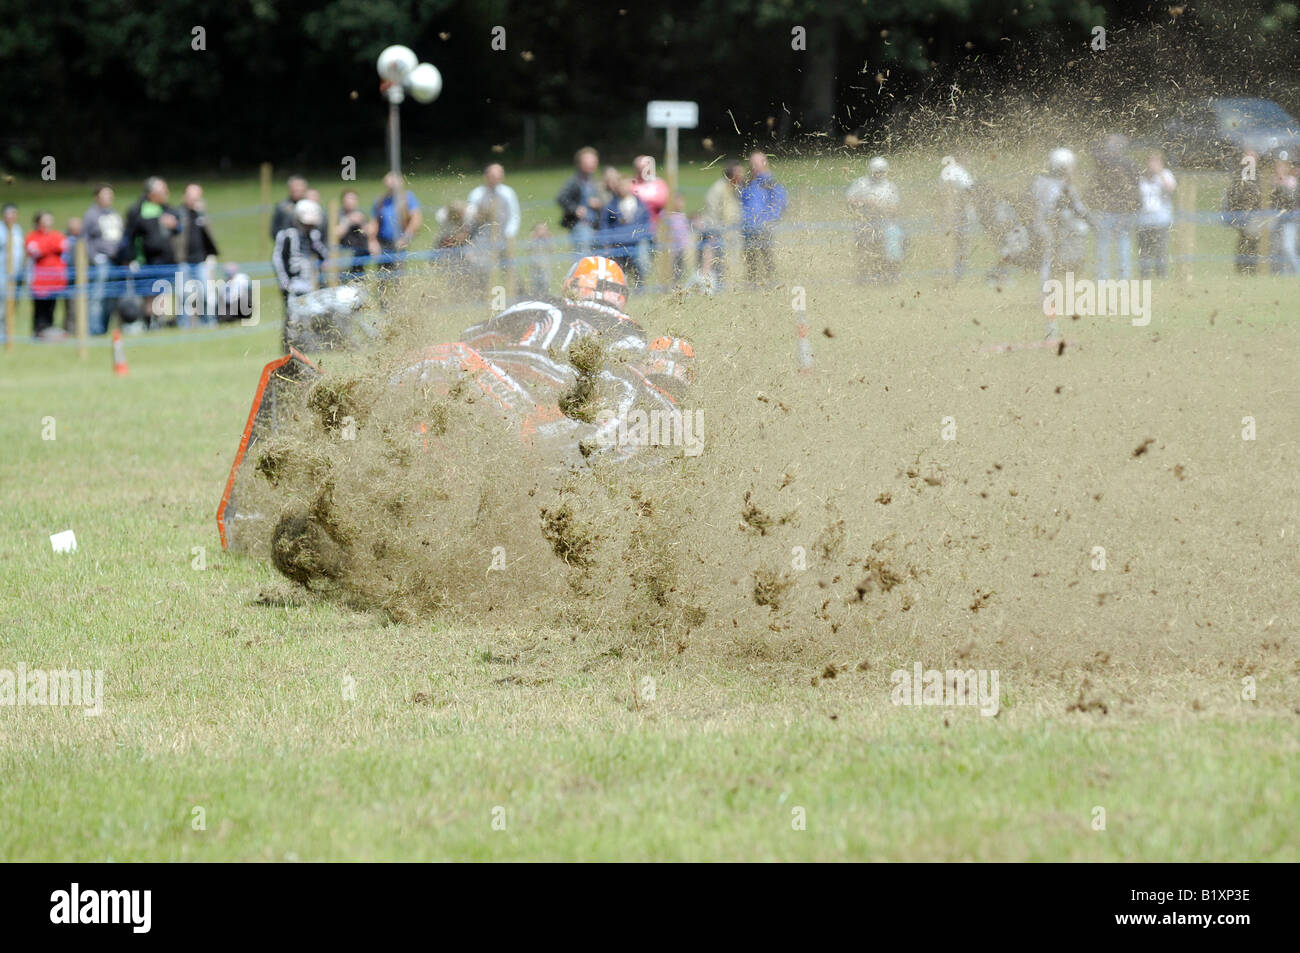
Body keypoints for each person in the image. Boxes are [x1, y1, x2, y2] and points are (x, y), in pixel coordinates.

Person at [1031, 147, 1091, 337]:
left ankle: (1049, 298)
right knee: (1051, 266)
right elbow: (1074, 207)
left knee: (1048, 265)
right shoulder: (1062, 186)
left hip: (1041, 227)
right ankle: (1049, 304)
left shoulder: (1040, 181)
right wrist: (1090, 220)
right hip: (1052, 230)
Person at [122, 177, 181, 326]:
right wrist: (130, 259)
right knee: (148, 294)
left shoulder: (168, 209)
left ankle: (159, 322)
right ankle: (147, 324)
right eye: (163, 190)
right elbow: (129, 237)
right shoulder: (138, 211)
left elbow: (179, 229)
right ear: (153, 193)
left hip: (167, 261)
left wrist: (175, 225)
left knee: (163, 294)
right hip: (146, 262)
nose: (167, 193)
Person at [1089, 134, 1140, 281]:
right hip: (1123, 210)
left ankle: (1102, 277)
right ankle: (1124, 277)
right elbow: (1136, 186)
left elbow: (1093, 151)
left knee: (1103, 244)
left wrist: (1101, 139)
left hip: (1106, 209)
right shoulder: (1129, 164)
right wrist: (1135, 206)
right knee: (1123, 243)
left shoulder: (1104, 162)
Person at [273, 198, 329, 328]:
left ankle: (307, 346)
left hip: (307, 283)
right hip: (293, 284)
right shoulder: (287, 235)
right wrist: (285, 283)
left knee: (308, 318)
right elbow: (278, 260)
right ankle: (290, 346)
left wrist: (315, 240)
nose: (308, 227)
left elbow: (324, 255)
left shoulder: (313, 236)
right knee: (293, 319)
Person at [466, 162, 521, 293]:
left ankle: (517, 294)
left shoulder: (508, 193)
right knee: (482, 270)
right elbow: (470, 217)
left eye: (499, 175)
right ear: (486, 176)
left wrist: (508, 234)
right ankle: (481, 295)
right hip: (482, 241)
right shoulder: (477, 194)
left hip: (503, 239)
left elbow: (514, 216)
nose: (497, 179)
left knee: (510, 269)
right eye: (494, 176)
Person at [846, 156, 903, 283]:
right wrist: (867, 202)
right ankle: (864, 278)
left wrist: (881, 208)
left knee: (892, 243)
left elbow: (895, 208)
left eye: (881, 171)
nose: (879, 174)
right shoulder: (861, 183)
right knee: (866, 251)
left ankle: (890, 276)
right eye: (877, 171)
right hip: (865, 224)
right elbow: (849, 200)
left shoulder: (890, 187)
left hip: (885, 225)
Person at [739, 151, 788, 287]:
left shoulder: (769, 181)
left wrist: (769, 219)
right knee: (750, 258)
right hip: (748, 228)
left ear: (765, 163)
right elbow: (742, 201)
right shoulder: (748, 182)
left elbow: (780, 201)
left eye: (757, 163)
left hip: (763, 228)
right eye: (752, 163)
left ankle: (771, 283)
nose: (754, 166)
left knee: (766, 256)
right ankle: (752, 284)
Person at [178, 184, 220, 327]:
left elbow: (210, 236)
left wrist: (202, 214)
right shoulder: (179, 214)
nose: (194, 200)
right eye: (191, 197)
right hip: (183, 261)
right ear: (184, 197)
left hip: (201, 260)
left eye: (197, 197)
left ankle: (208, 322)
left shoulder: (201, 215)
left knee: (206, 294)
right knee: (184, 295)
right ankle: (183, 324)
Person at [82, 185, 122, 334]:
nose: (109, 198)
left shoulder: (114, 214)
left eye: (111, 195)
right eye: (106, 195)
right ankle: (94, 329)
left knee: (111, 298)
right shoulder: (91, 215)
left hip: (115, 261)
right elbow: (84, 239)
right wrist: (94, 257)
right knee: (97, 297)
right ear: (97, 197)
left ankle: (104, 328)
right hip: (101, 262)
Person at [697, 161, 743, 289]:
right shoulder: (718, 189)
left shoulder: (736, 188)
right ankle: (714, 289)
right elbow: (711, 213)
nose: (743, 175)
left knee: (732, 262)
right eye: (740, 173)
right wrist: (714, 232)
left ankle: (729, 288)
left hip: (732, 233)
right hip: (718, 234)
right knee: (717, 265)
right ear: (732, 175)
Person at [600, 176, 652, 287]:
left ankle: (641, 290)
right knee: (619, 269)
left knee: (639, 267)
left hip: (636, 243)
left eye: (625, 185)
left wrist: (643, 236)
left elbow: (647, 223)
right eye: (621, 186)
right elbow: (605, 225)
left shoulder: (640, 205)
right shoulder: (611, 206)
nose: (623, 188)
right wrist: (606, 242)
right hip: (617, 244)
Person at [368, 172, 423, 275]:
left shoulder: (408, 198)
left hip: (400, 242)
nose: (391, 189)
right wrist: (372, 241)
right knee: (382, 276)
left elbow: (416, 220)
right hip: (383, 243)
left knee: (398, 275)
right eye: (389, 186)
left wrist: (406, 237)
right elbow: (374, 222)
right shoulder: (380, 201)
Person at [25, 211, 66, 338]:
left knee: (52, 306)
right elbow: (35, 251)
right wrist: (51, 247)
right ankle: (38, 331)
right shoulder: (31, 236)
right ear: (38, 222)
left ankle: (49, 330)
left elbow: (63, 246)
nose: (48, 222)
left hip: (55, 279)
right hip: (39, 279)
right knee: (39, 307)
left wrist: (45, 248)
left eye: (50, 219)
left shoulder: (57, 234)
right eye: (45, 220)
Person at [1135, 151, 1176, 278]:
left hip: (1161, 218)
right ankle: (1144, 274)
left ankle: (1161, 274)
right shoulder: (1141, 177)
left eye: (1157, 161)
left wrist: (1159, 173)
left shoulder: (1166, 174)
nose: (1153, 164)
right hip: (1143, 219)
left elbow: (1171, 189)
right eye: (1151, 161)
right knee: (1144, 249)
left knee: (1160, 249)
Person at [1222, 150, 1263, 274]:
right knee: (1245, 240)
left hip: (1254, 216)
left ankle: (1250, 268)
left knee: (1251, 240)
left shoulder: (1256, 176)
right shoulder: (1240, 175)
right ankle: (1244, 268)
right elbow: (1233, 194)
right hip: (1243, 215)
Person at [556, 147, 602, 254]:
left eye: (593, 162)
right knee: (582, 257)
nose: (590, 165)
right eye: (587, 162)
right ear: (579, 163)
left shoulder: (593, 181)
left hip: (595, 226)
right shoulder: (574, 181)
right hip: (580, 226)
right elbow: (561, 197)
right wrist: (575, 209)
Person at [939, 154, 978, 280]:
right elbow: (969, 191)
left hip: (946, 213)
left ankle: (947, 275)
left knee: (948, 246)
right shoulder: (961, 172)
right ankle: (957, 276)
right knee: (962, 247)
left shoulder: (945, 171)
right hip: (962, 215)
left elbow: (939, 193)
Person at [1269, 152, 1300, 275]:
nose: (1282, 169)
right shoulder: (1272, 181)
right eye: (1279, 166)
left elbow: (1291, 201)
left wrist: (1282, 184)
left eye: (1284, 166)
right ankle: (1279, 274)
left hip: (1289, 220)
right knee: (1275, 248)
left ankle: (1296, 272)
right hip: (1275, 220)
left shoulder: (1292, 182)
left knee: (1288, 247)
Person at [335, 189, 374, 282]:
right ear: (343, 201)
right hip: (344, 253)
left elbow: (370, 232)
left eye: (353, 199)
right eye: (348, 199)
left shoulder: (361, 215)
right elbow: (336, 234)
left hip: (361, 254)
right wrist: (348, 221)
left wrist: (362, 223)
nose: (351, 202)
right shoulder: (338, 215)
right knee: (344, 279)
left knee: (360, 279)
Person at [0, 205, 24, 327]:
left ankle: (6, 332)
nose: (11, 216)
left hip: (15, 274)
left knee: (11, 305)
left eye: (13, 213)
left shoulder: (17, 229)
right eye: (8, 213)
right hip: (2, 274)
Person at [59, 216, 82, 334]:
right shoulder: (64, 239)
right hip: (67, 276)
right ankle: (69, 328)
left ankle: (80, 328)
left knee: (80, 304)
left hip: (82, 277)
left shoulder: (83, 239)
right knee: (69, 305)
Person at [664, 194, 692, 286]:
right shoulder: (667, 215)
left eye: (682, 201)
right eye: (678, 201)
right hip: (671, 249)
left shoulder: (683, 216)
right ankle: (670, 286)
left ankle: (678, 286)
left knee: (680, 268)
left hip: (682, 248)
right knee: (671, 269)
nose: (681, 204)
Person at [270, 175, 308, 240]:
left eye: (300, 186)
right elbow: (275, 231)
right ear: (289, 188)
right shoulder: (281, 207)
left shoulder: (312, 207)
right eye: (295, 186)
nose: (297, 189)